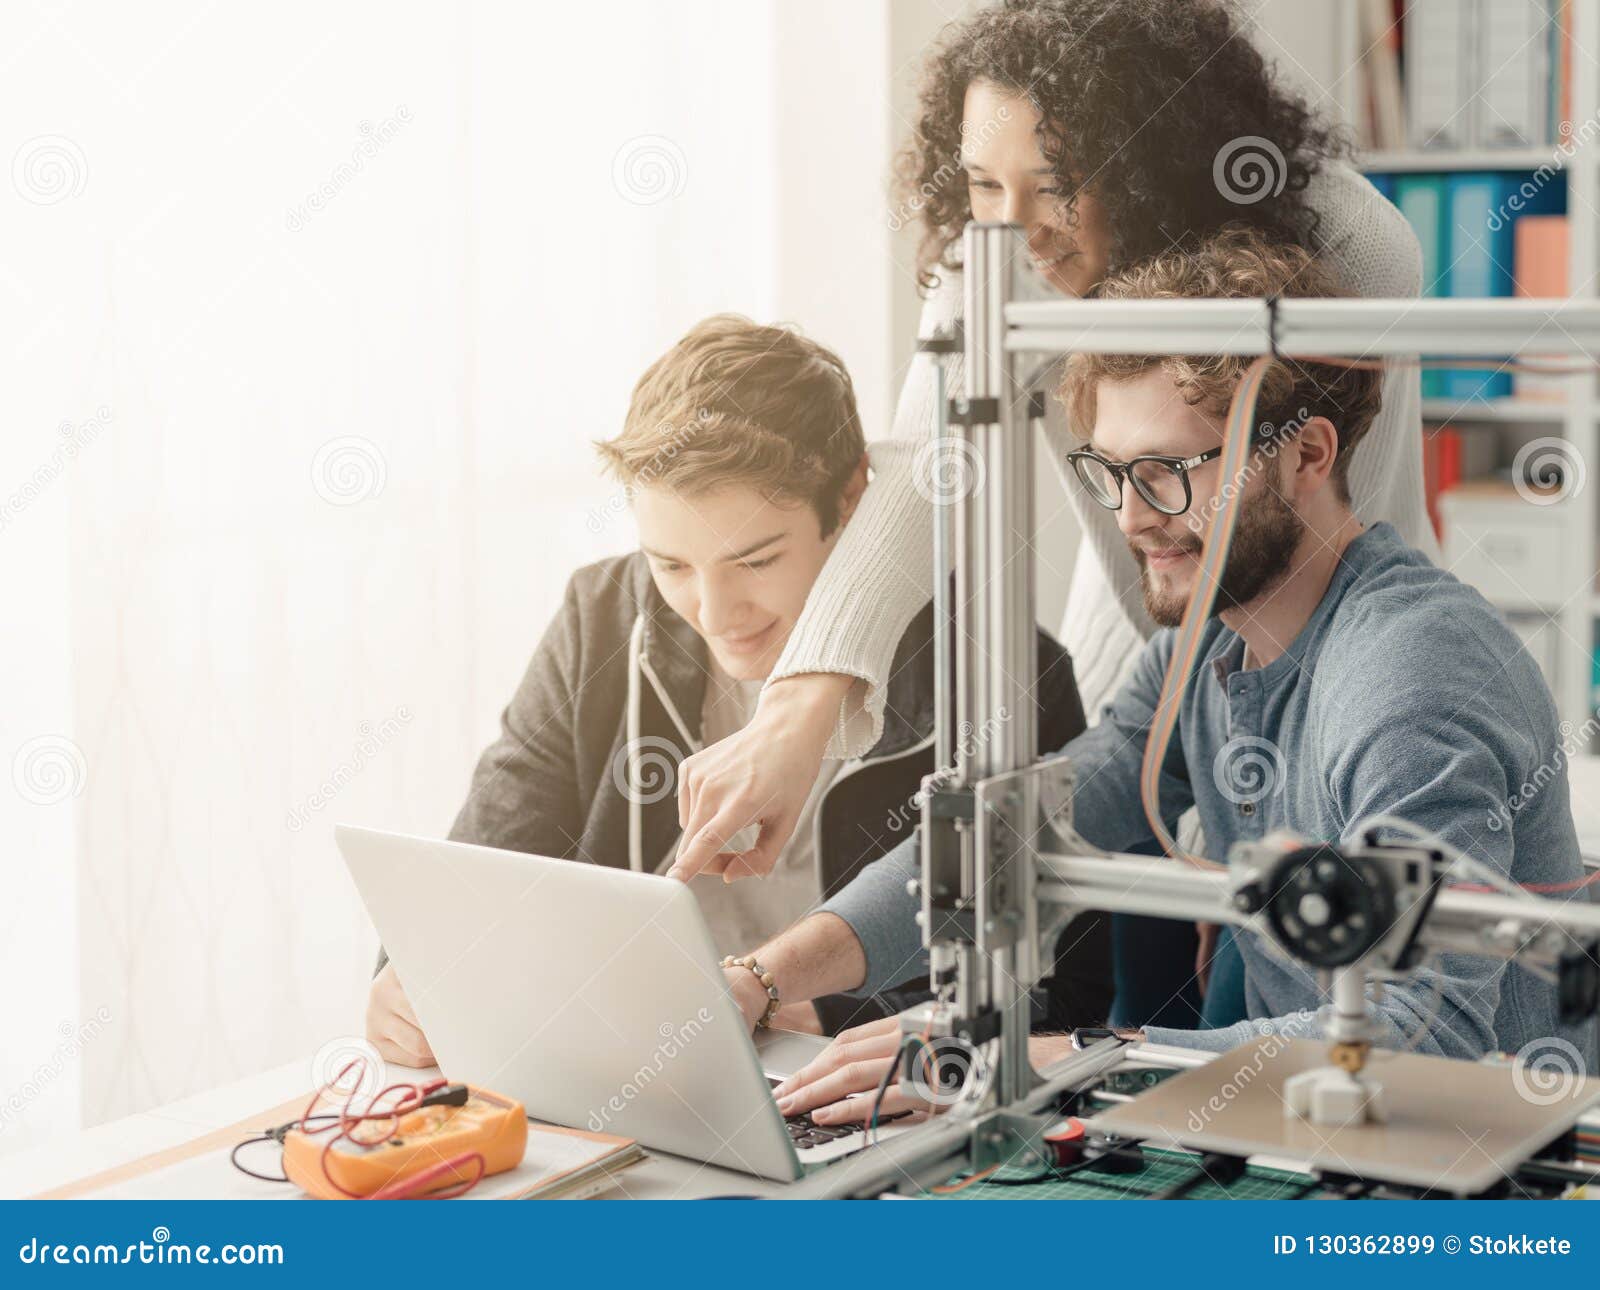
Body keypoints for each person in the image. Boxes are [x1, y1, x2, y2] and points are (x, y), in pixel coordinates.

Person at [667, 0, 1434, 1032]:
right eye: (985, 187)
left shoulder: (1348, 251)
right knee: (1125, 960)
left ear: (1160, 161)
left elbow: (1300, 556)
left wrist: (1228, 808)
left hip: (1312, 656)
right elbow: (929, 463)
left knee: (1276, 996)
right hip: (1147, 631)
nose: (1014, 230)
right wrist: (797, 721)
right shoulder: (1002, 251)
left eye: (1060, 186)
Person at [711, 228, 1592, 1126]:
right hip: (1315, 1133)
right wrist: (756, 978)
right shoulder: (1198, 652)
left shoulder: (1410, 669)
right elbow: (1007, 846)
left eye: (1171, 471)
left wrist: (1054, 1062)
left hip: (1485, 1165)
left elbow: (1427, 1036)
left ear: (1309, 453)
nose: (1133, 517)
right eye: (1113, 472)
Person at [365, 314, 1102, 1067]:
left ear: (851, 503)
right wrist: (416, 971)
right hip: (623, 1072)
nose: (715, 616)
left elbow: (1070, 990)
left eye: (753, 560)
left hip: (859, 1088)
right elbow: (483, 864)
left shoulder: (1000, 668)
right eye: (673, 565)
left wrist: (820, 1009)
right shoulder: (602, 618)